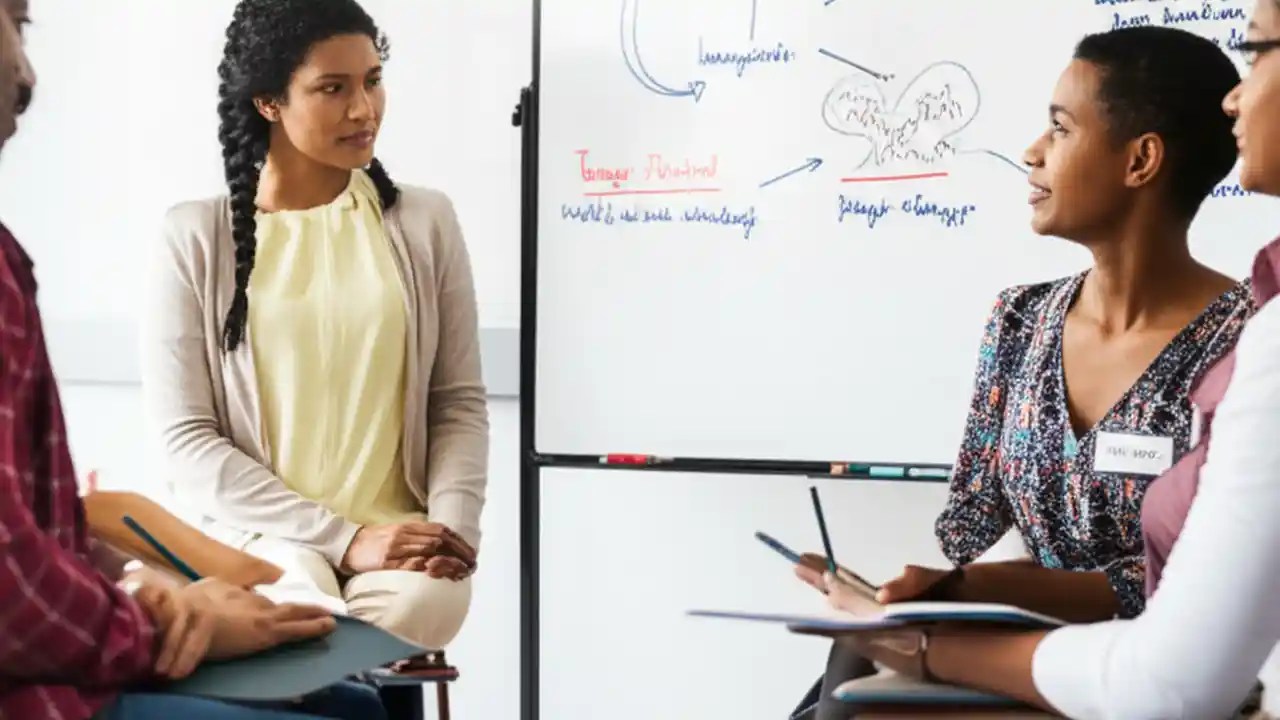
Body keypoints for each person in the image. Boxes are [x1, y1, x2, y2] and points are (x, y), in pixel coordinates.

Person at [815, 5, 1280, 717]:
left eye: (1060, 128)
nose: (1032, 151)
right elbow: (969, 524)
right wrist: (922, 591)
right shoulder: (1019, 319)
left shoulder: (1249, 339)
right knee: (854, 674)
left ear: (1140, 160)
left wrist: (971, 596)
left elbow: (1194, 585)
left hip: (1159, 685)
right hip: (1012, 657)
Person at [0, 2, 386, 719]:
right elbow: (10, 582)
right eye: (13, 26)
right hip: (46, 689)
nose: (26, 70)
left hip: (98, 636)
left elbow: (40, 530)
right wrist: (164, 627)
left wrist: (142, 593)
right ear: (268, 103)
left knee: (354, 700)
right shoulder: (194, 236)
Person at [141, 0, 488, 652]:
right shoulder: (194, 236)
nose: (364, 109)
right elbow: (187, 442)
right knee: (299, 602)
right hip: (255, 538)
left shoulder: (424, 221)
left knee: (419, 600)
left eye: (373, 80)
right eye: (334, 88)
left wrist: (452, 533)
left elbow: (456, 402)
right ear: (269, 102)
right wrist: (344, 541)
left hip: (398, 540)